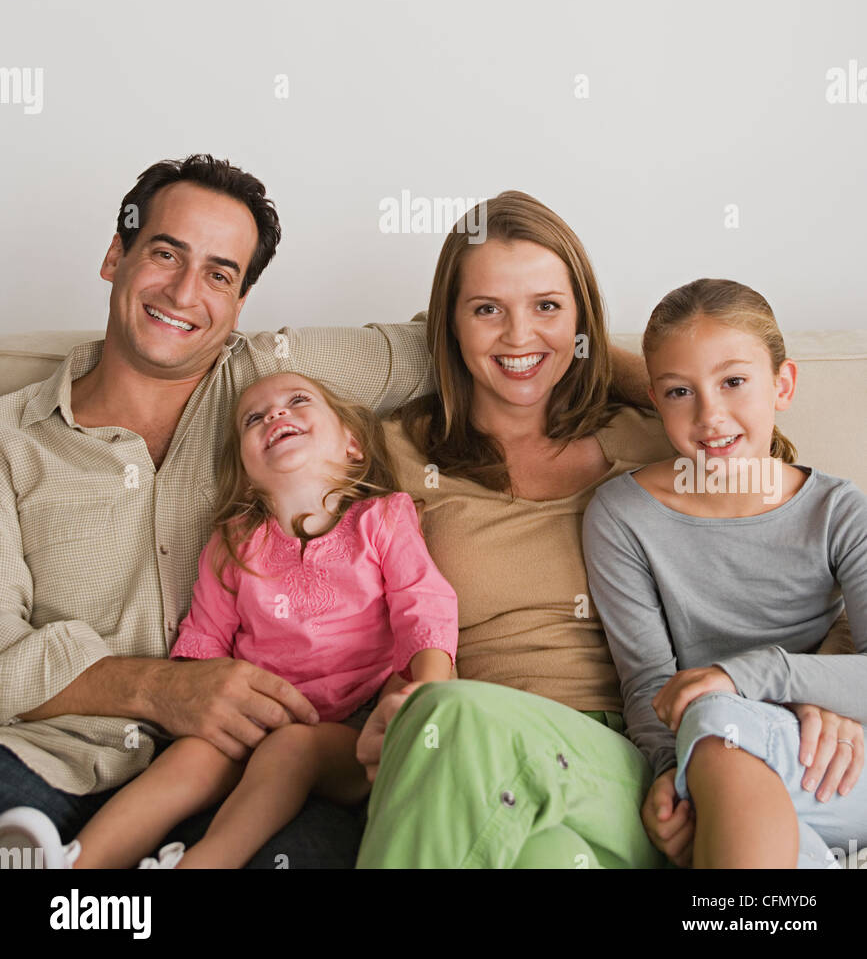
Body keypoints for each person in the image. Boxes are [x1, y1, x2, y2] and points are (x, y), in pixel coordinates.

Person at [0, 153, 646, 868]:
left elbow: (497, 341)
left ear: (241, 301)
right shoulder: (11, 446)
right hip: (57, 759)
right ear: (115, 255)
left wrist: (684, 385)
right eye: (163, 253)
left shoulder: (271, 379)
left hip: (292, 755)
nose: (186, 292)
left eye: (219, 273)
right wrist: (164, 688)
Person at [353, 194, 861, 869]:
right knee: (543, 853)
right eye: (485, 310)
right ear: (445, 324)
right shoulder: (391, 450)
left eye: (546, 307)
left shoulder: (657, 437)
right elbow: (267, 392)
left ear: (583, 319)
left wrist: (815, 690)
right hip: (474, 747)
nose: (517, 336)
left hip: (618, 750)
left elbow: (769, 488)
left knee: (453, 721)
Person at [0, 371, 457, 868]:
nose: (275, 415)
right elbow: (204, 640)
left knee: (291, 751)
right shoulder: (234, 544)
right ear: (247, 472)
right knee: (190, 757)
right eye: (253, 419)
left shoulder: (382, 519)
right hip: (253, 717)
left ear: (352, 444)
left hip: (357, 730)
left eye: (297, 401)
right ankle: (77, 863)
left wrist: (425, 696)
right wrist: (200, 715)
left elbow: (424, 605)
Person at [582, 278, 867, 869]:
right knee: (710, 721)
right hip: (714, 769)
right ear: (656, 402)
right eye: (680, 391)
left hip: (839, 763)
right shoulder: (621, 516)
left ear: (782, 385)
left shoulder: (839, 511)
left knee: (710, 710)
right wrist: (669, 777)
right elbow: (647, 685)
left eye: (734, 381)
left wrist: (741, 678)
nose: (710, 415)